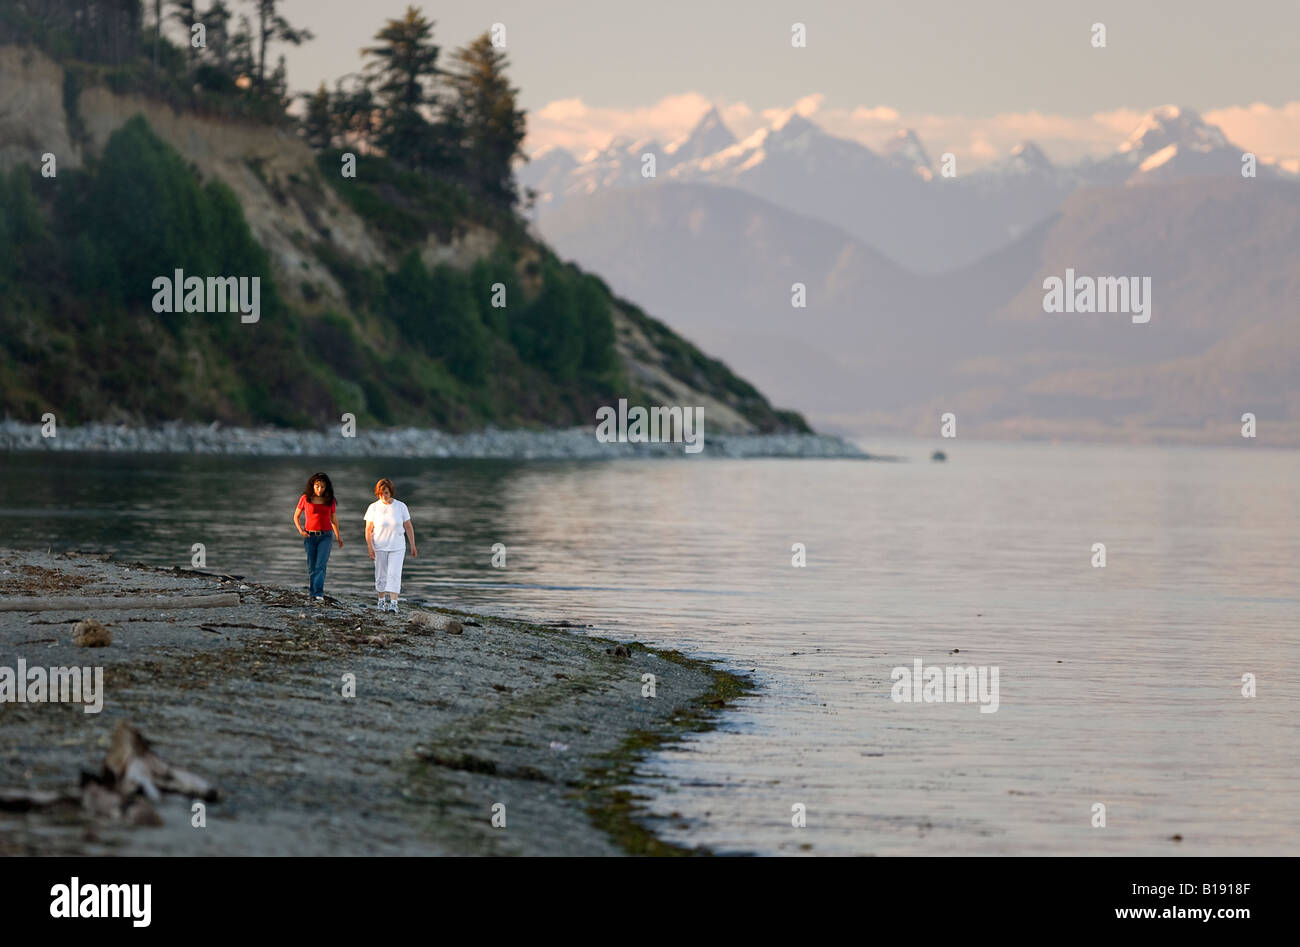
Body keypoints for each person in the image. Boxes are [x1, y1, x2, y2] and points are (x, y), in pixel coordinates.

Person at [364, 478, 417, 614]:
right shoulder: (373, 507)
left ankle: (394, 603)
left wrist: (413, 545)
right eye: (381, 494)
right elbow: (368, 529)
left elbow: (408, 527)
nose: (384, 496)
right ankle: (381, 601)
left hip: (397, 546)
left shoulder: (401, 506)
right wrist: (370, 547)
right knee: (381, 575)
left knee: (394, 574)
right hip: (379, 546)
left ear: (391, 492)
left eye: (386, 493)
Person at [293, 472, 342, 603]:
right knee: (312, 566)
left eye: (322, 487)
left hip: (325, 536)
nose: (319, 489)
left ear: (327, 487)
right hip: (309, 536)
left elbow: (334, 519)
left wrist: (338, 536)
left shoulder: (330, 500)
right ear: (312, 486)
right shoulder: (305, 498)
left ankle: (318, 593)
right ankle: (312, 592)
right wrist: (301, 531)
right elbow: (296, 516)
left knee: (320, 565)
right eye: (317, 486)